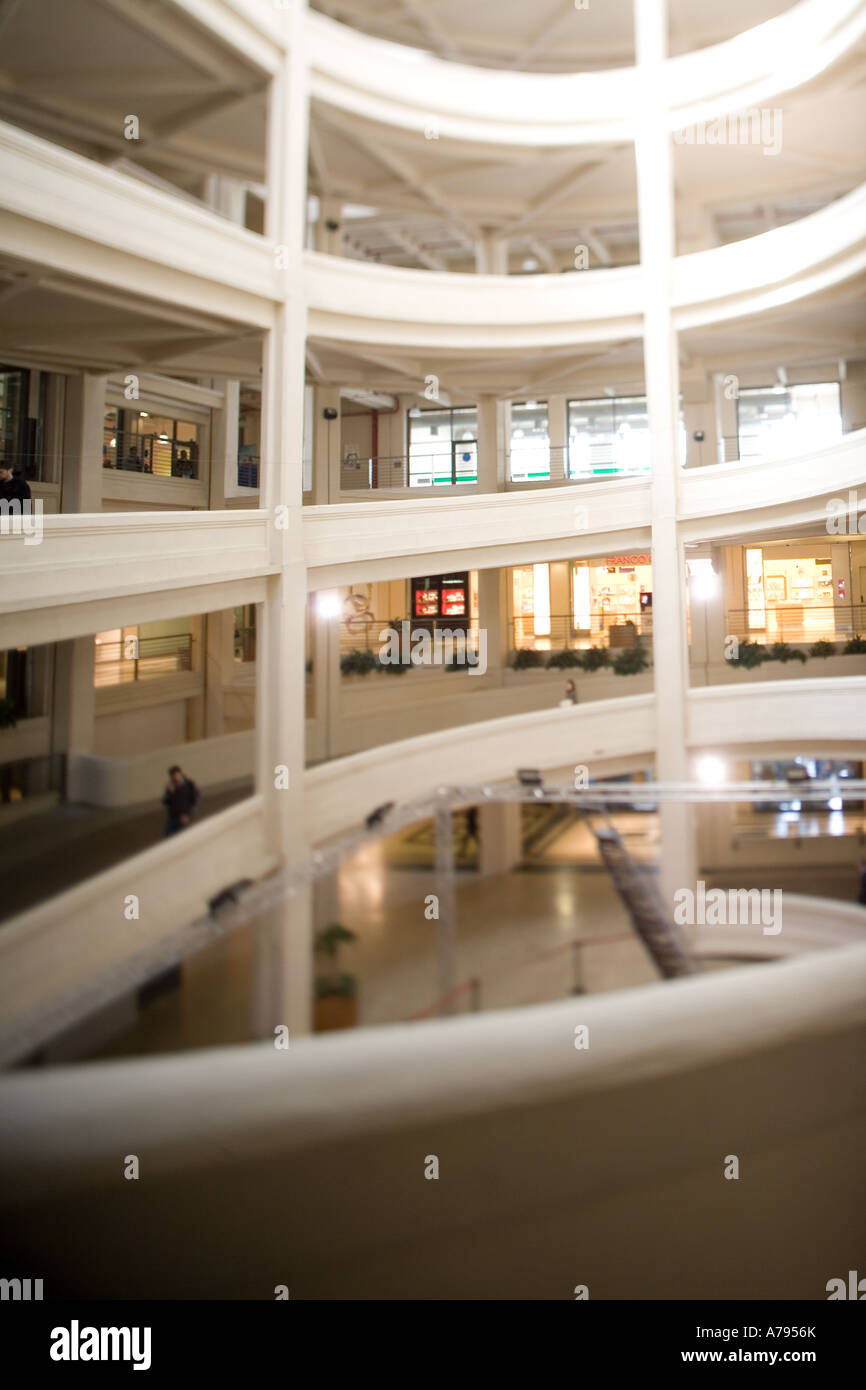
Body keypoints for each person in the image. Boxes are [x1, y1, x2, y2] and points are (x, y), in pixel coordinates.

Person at [162, 765, 200, 837]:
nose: (175, 777)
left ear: (180, 774)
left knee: (183, 837)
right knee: (168, 836)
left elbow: (195, 799)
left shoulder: (189, 784)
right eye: (173, 776)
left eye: (176, 775)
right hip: (173, 817)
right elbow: (165, 802)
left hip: (185, 817)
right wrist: (170, 793)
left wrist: (188, 814)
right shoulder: (171, 786)